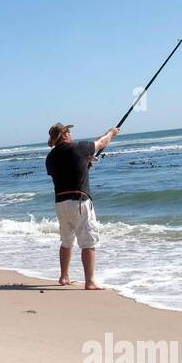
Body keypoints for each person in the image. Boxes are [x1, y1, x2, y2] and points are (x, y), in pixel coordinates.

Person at [44, 122, 118, 289]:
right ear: (64, 135)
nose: (70, 134)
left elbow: (67, 173)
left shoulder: (50, 158)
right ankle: (90, 281)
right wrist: (112, 132)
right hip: (79, 201)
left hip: (60, 203)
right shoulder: (79, 147)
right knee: (88, 241)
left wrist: (84, 165)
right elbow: (101, 143)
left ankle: (64, 276)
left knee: (66, 241)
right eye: (68, 132)